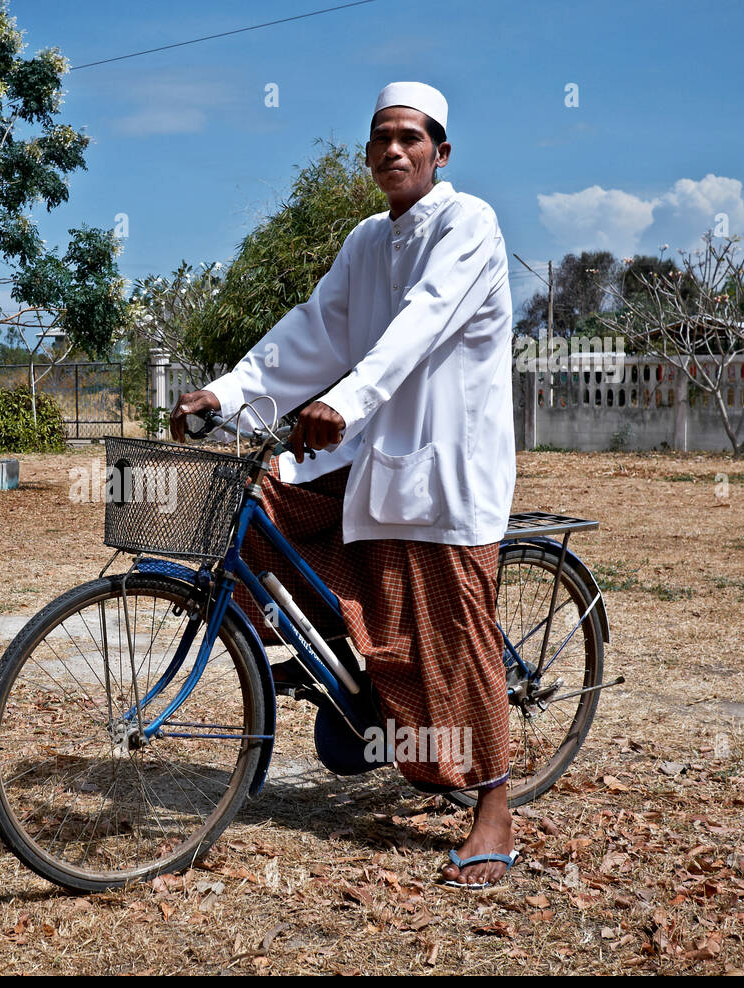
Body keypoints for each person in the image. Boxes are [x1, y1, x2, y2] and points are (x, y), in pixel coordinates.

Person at [170, 82, 518, 888]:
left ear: (440, 150)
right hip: (362, 455)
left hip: (444, 468)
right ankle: (324, 672)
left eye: (410, 137)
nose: (394, 150)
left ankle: (494, 800)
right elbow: (311, 330)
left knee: (456, 635)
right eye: (381, 139)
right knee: (257, 506)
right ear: (369, 154)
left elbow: (420, 325)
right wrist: (223, 395)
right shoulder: (367, 240)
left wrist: (343, 401)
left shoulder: (471, 225)